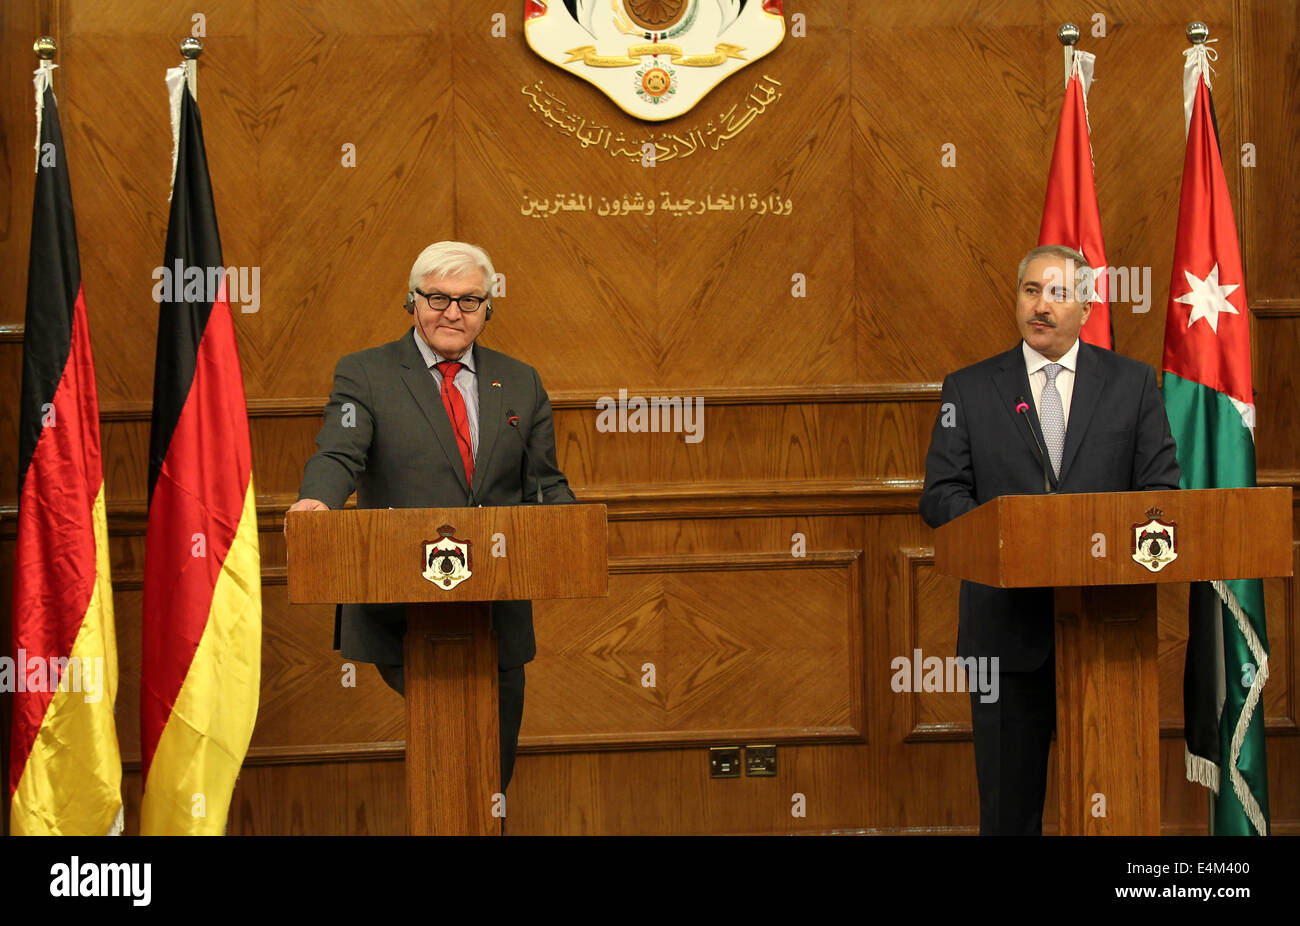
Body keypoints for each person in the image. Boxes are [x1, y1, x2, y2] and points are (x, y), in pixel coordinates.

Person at [288, 240, 576, 793]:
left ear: (487, 308)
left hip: (496, 607)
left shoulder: (520, 381)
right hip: (405, 603)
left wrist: (572, 531)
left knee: (490, 776)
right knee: (453, 763)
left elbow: (545, 482)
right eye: (438, 298)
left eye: (469, 301)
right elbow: (340, 452)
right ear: (412, 302)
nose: (453, 313)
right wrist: (317, 500)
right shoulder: (365, 374)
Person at [919, 244, 1181, 835]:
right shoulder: (969, 389)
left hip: (1109, 636)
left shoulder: (1133, 385)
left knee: (1116, 810)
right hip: (1005, 639)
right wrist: (1007, 534)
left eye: (1058, 293)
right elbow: (940, 496)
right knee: (1010, 814)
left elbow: (1161, 494)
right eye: (1030, 290)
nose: (1041, 305)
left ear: (1087, 307)